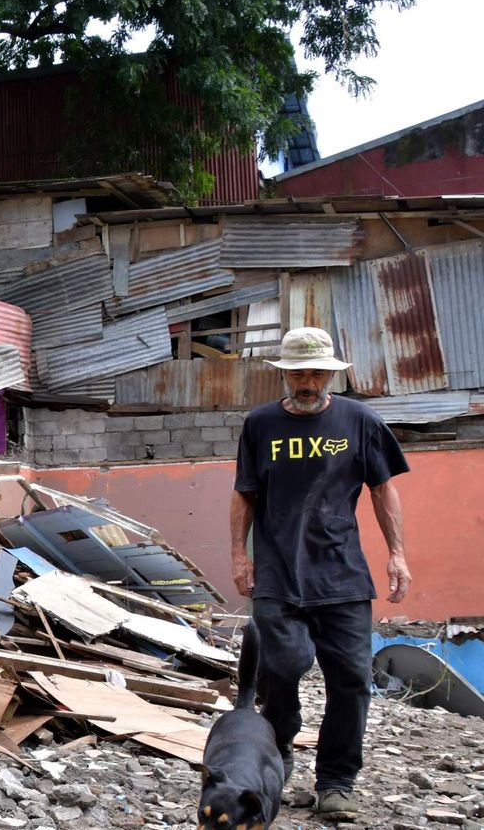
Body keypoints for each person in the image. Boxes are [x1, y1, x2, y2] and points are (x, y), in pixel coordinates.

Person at [231, 326, 410, 823]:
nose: (307, 382)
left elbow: (383, 489)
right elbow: (244, 491)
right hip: (277, 575)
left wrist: (397, 554)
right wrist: (239, 557)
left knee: (352, 681)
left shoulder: (360, 420)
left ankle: (336, 782)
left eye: (316, 373)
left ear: (331, 374)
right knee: (282, 666)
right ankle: (281, 744)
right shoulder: (260, 424)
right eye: (298, 373)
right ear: (284, 375)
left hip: (343, 578)